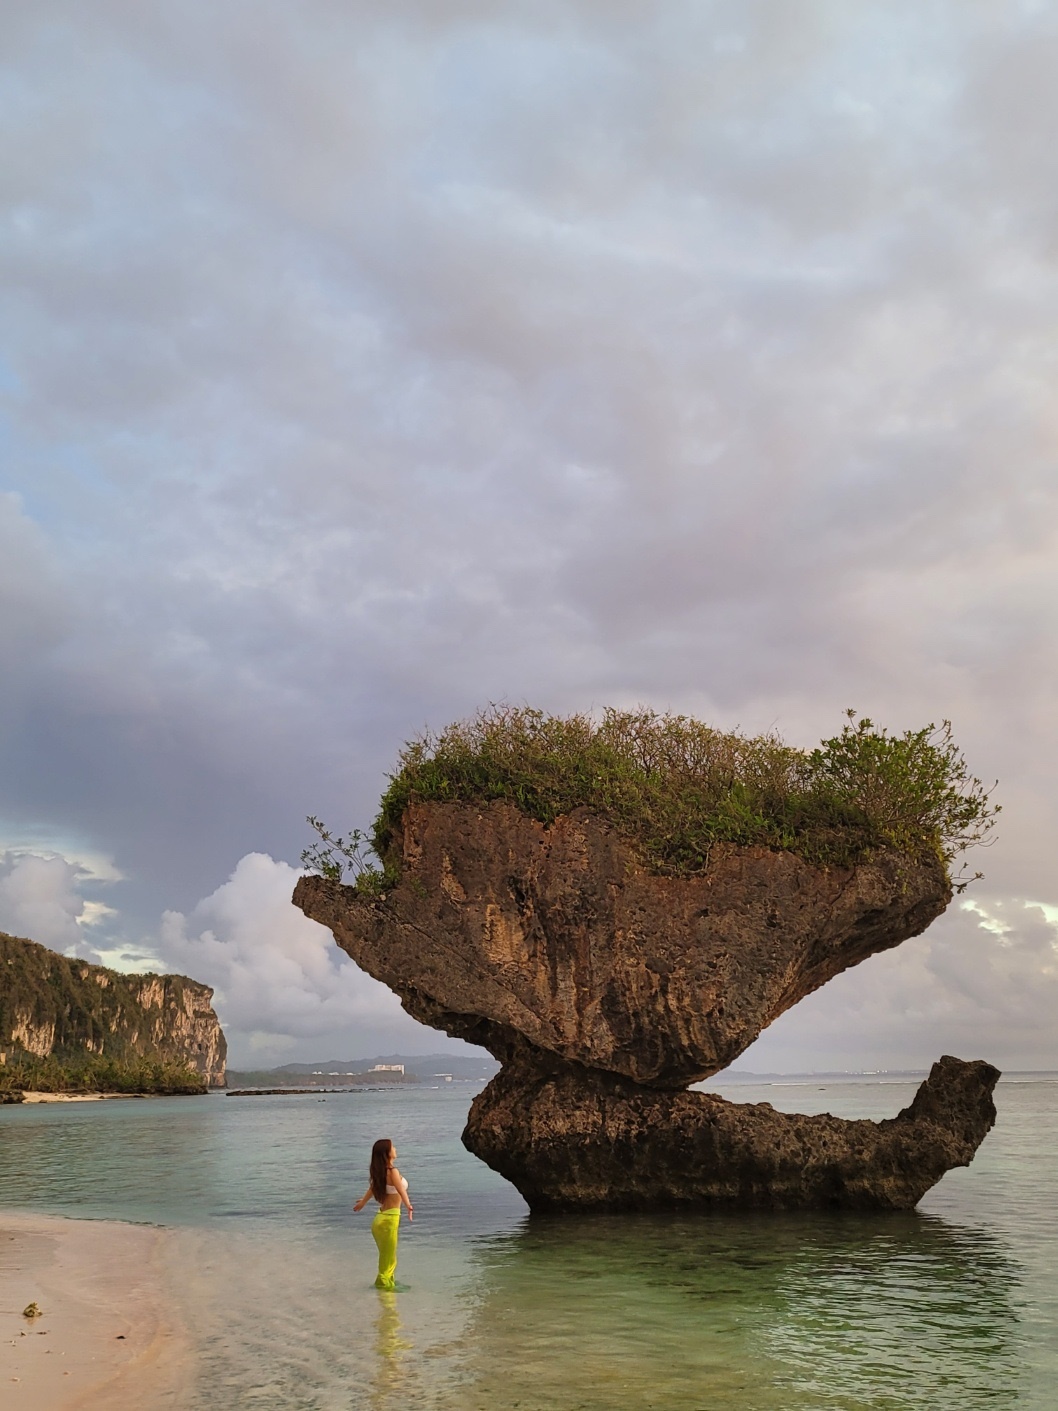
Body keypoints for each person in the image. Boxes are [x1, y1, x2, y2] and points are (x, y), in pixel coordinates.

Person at [354, 1137, 413, 1290]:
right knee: (389, 1258)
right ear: (387, 1153)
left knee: (387, 1257)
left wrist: (363, 1203)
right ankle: (386, 1292)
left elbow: (373, 1188)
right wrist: (408, 1205)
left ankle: (387, 1285)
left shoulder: (382, 1172)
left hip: (380, 1220)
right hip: (389, 1220)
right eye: (393, 1147)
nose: (395, 1149)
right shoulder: (393, 1171)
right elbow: (400, 1189)